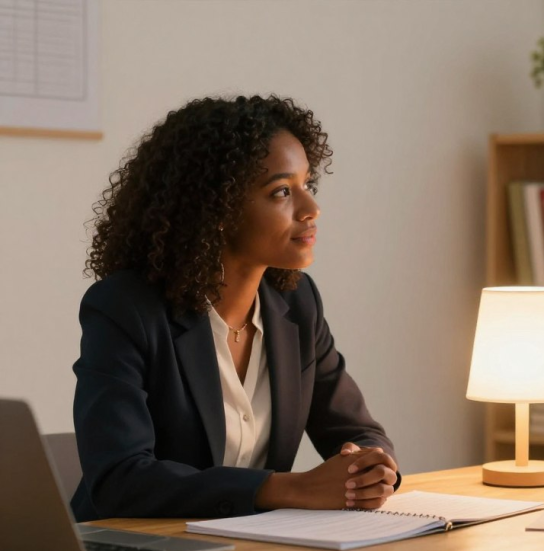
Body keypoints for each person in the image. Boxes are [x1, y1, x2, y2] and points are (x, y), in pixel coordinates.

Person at [72, 95, 399, 521]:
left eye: (308, 186)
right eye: (282, 191)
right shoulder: (126, 309)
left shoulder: (297, 304)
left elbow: (355, 429)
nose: (311, 209)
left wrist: (369, 468)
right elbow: (121, 479)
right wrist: (289, 488)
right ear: (218, 208)